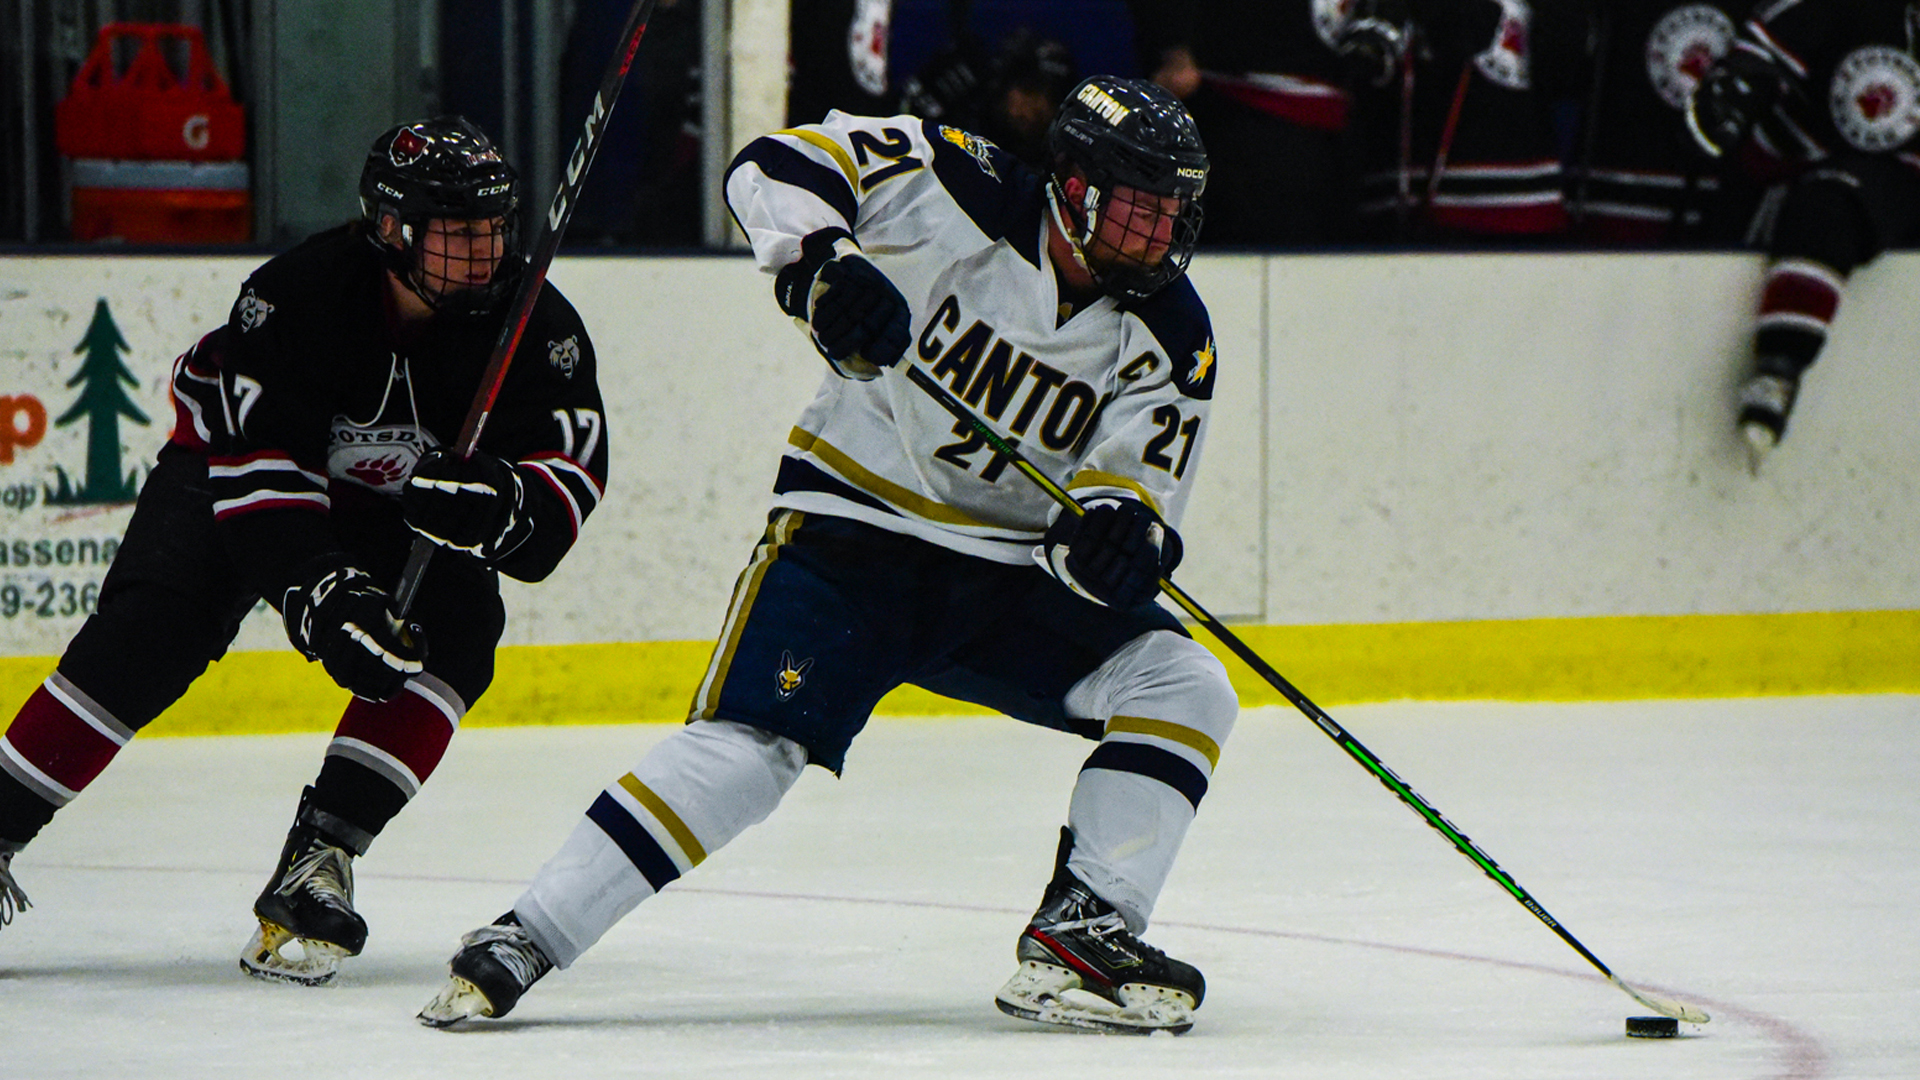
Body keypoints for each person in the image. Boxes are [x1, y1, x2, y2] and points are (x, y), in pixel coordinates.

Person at [419, 75, 1239, 1036]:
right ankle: (528, 934)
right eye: (1140, 207)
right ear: (1071, 184)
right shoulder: (948, 180)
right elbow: (773, 164)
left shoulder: (1176, 335)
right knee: (749, 753)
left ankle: (1084, 929)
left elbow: (1133, 493)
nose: (1159, 234)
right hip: (854, 538)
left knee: (1184, 683)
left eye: (1173, 211)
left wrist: (1109, 542)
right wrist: (821, 267)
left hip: (1009, 577)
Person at [0, 116, 608, 984]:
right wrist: (321, 595)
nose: (485, 255)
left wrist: (505, 506)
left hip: (389, 509)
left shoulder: (536, 323)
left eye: (494, 231)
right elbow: (259, 476)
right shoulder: (296, 295)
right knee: (150, 633)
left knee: (458, 632)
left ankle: (320, 856)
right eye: (459, 234)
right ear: (392, 230)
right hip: (230, 472)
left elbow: (569, 472)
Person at [1685, 0, 1920, 470]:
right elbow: (1764, 56)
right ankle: (1780, 365)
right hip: (1815, 174)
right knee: (1828, 203)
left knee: (1838, 196)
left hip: (1906, 178)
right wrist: (1737, 89)